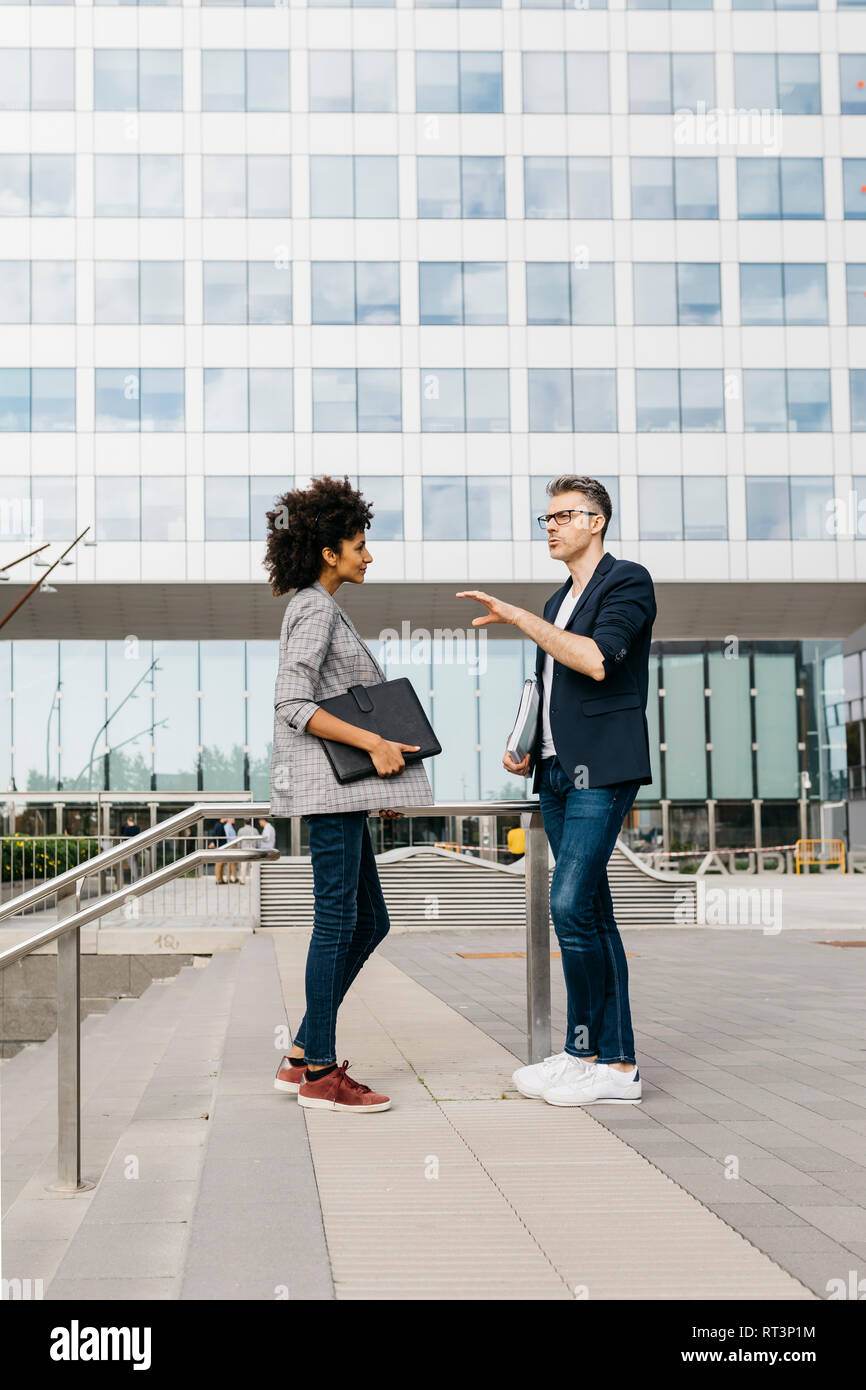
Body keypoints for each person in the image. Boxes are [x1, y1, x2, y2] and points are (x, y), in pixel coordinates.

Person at [459, 474, 656, 1107]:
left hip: (602, 766)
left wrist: (515, 617)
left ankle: (586, 1052)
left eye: (562, 516)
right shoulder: (555, 601)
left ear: (595, 522)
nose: (550, 526)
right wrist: (527, 740)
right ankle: (613, 1064)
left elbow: (598, 659)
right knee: (592, 913)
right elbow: (551, 684)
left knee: (569, 905)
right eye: (545, 518)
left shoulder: (627, 580)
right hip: (555, 771)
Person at [266, 475, 434, 1113]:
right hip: (327, 795)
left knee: (371, 919)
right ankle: (321, 1075)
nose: (369, 555)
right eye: (359, 544)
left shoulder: (323, 607)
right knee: (338, 922)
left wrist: (375, 772)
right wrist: (373, 745)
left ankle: (302, 1053)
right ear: (329, 552)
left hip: (344, 795)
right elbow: (292, 703)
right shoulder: (313, 607)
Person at [119, 813, 141, 884]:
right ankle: (135, 878)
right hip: (136, 847)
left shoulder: (127, 828)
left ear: (128, 821)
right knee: (135, 863)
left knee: (132, 863)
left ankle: (135, 879)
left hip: (129, 847)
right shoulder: (137, 828)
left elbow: (124, 837)